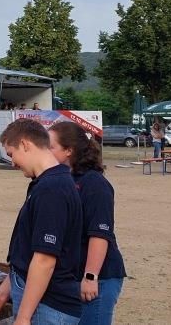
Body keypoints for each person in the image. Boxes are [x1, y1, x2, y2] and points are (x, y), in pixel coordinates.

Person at [0, 118, 82, 325]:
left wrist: (24, 317)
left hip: (48, 307)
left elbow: (44, 260)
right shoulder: (44, 183)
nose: (12, 163)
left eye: (11, 154)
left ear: (25, 144)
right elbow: (26, 254)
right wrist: (3, 291)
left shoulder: (52, 189)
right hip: (40, 305)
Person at [49, 121, 127, 325]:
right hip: (73, 274)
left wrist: (91, 277)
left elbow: (100, 234)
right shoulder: (62, 179)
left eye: (51, 147)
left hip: (99, 277)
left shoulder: (94, 184)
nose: (46, 152)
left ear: (68, 150)